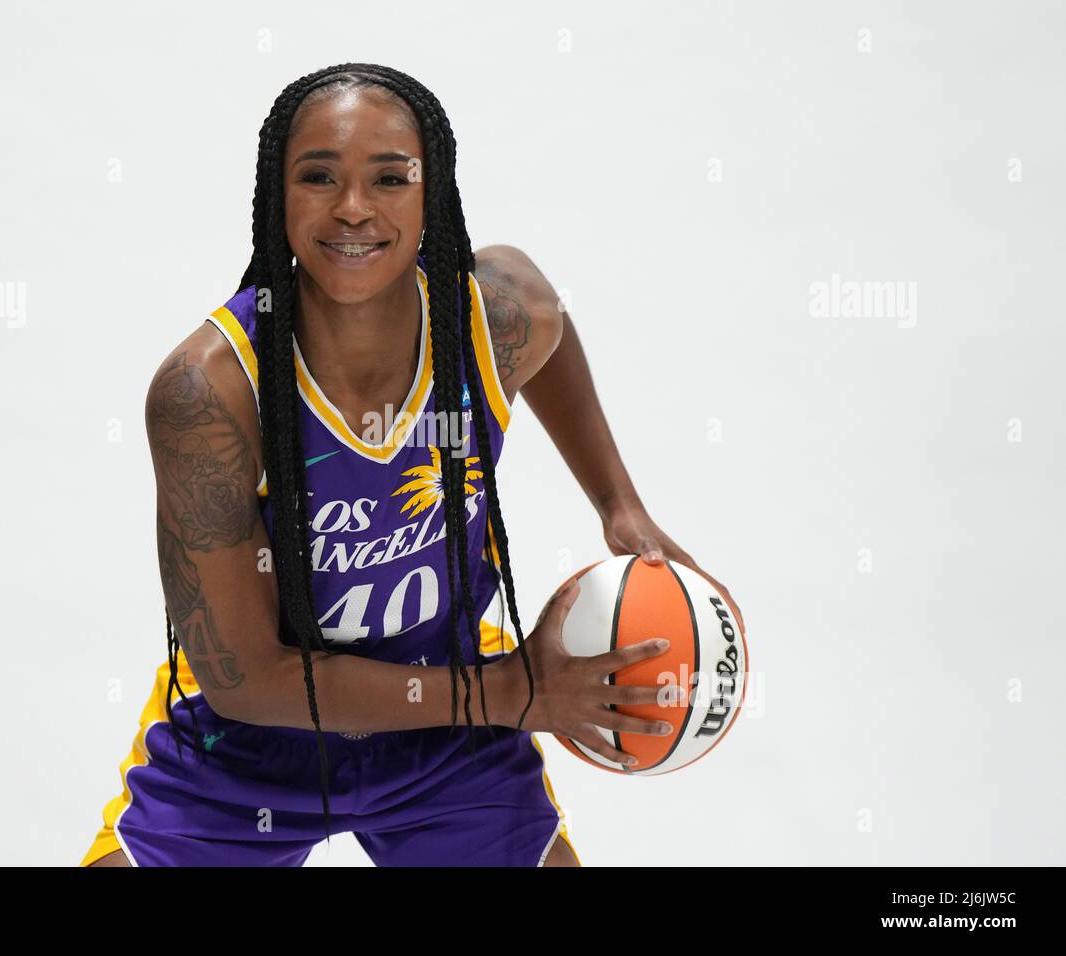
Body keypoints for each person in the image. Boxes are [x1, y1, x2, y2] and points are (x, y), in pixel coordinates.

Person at [81, 62, 745, 867]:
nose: (353, 208)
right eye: (318, 176)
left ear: (433, 194)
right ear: (275, 194)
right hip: (247, 750)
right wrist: (512, 694)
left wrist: (618, 502)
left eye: (390, 178)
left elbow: (554, 329)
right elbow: (245, 679)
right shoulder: (209, 393)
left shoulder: (492, 320)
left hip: (449, 737)